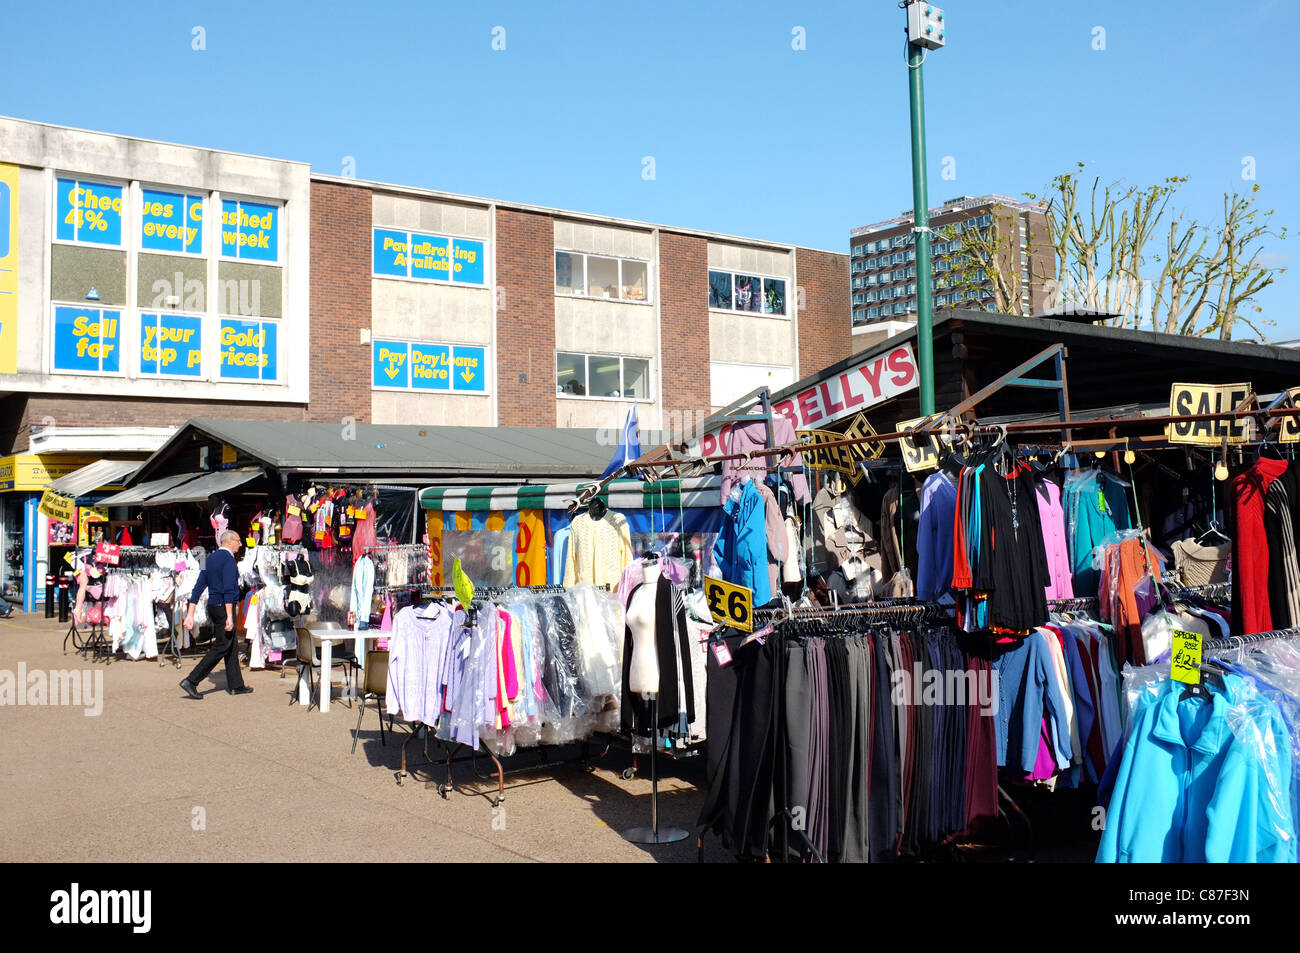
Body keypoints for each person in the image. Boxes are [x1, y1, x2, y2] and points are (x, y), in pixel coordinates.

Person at [179, 529, 252, 698]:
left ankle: (236, 685)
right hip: (223, 607)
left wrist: (190, 614)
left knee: (231, 644)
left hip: (213, 606)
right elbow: (228, 590)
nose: (240, 545)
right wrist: (229, 616)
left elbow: (197, 588)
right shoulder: (228, 560)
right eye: (239, 541)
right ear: (229, 541)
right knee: (222, 646)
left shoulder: (210, 558)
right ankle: (191, 680)